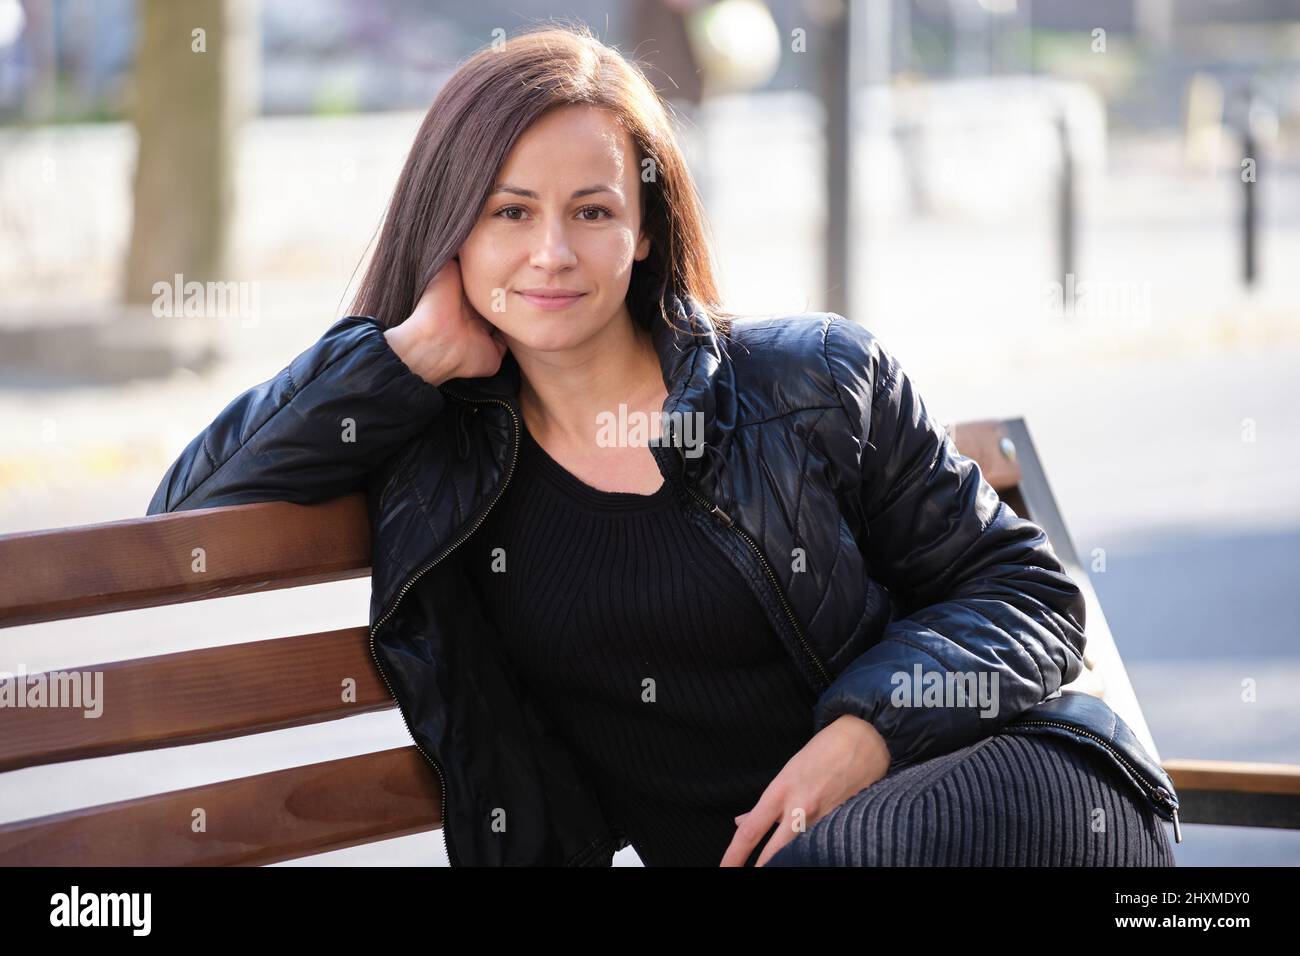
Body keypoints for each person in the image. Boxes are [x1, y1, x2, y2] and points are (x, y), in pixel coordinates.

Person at [148, 23, 1178, 867]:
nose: (552, 251)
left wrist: (862, 735)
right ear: (451, 231)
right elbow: (184, 523)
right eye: (509, 213)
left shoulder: (811, 380)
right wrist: (410, 352)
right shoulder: (439, 470)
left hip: (999, 797)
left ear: (644, 229)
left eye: (592, 210)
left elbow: (1028, 594)